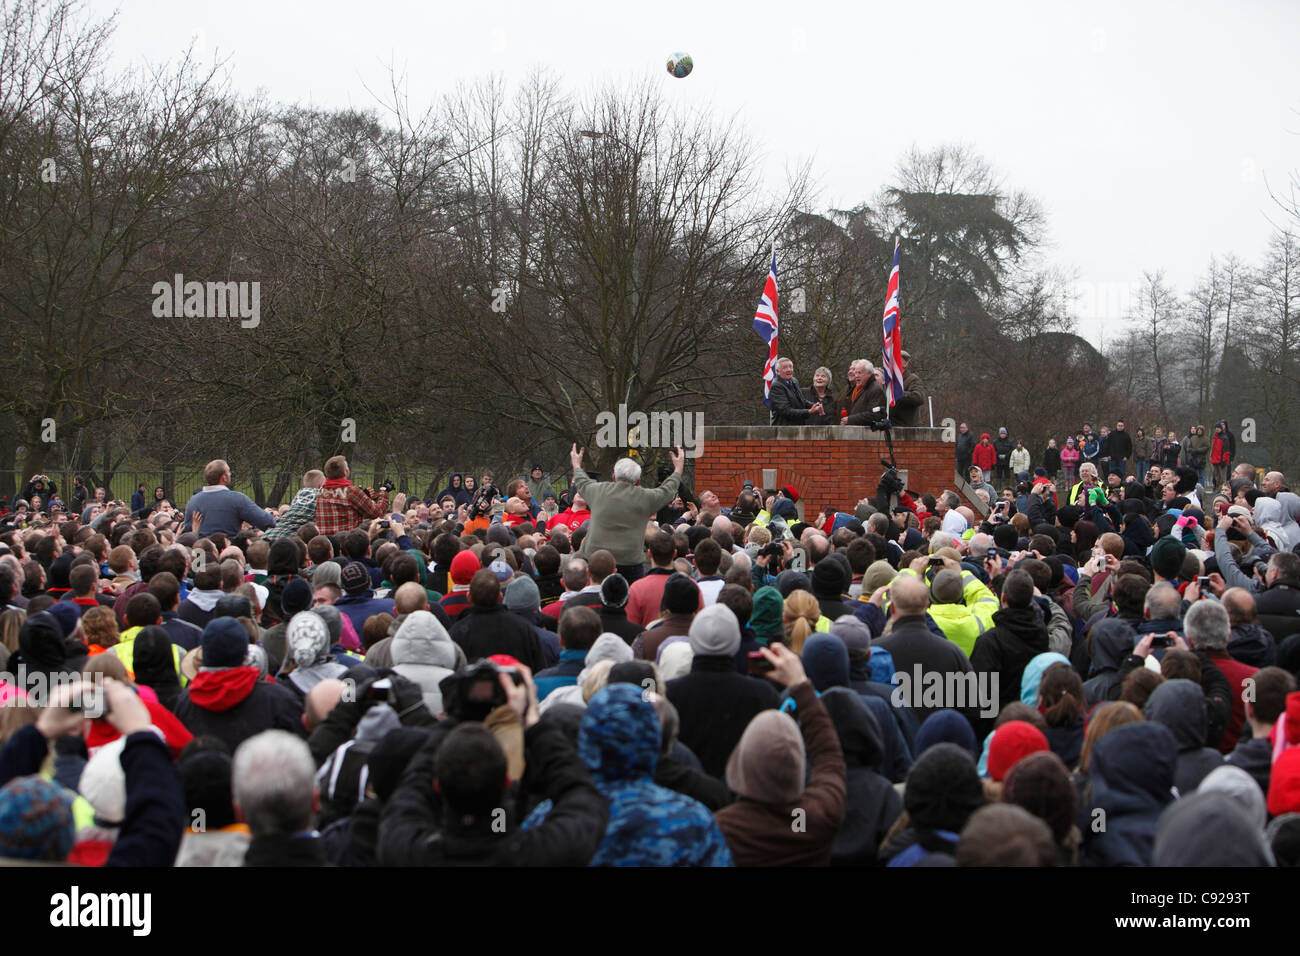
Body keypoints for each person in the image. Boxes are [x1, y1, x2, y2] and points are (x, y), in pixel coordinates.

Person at [714, 642, 846, 866]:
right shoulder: (817, 817)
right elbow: (828, 757)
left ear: (740, 763)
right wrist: (800, 685)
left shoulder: (719, 830)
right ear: (799, 766)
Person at [567, 443, 685, 583]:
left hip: (595, 559)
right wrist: (678, 469)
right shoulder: (646, 497)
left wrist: (576, 464)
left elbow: (581, 482)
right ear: (638, 481)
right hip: (630, 563)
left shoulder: (597, 491)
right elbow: (667, 490)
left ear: (613, 477)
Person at [182, 460, 275, 537]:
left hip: (201, 553)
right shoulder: (237, 499)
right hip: (228, 551)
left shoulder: (193, 501)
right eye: (229, 471)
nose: (230, 474)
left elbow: (187, 532)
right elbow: (266, 522)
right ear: (224, 477)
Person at [314, 455, 395, 536]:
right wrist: (384, 492)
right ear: (346, 472)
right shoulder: (351, 491)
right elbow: (377, 513)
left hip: (325, 541)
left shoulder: (320, 492)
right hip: (347, 542)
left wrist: (365, 496)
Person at [768, 357, 823, 425]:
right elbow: (785, 411)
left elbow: (801, 400)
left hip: (798, 427)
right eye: (785, 367)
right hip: (783, 429)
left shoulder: (794, 381)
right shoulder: (776, 386)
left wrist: (814, 405)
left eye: (790, 367)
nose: (789, 370)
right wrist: (809, 411)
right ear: (777, 371)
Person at [839, 359, 887, 426]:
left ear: (869, 373)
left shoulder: (875, 389)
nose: (856, 376)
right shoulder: (860, 388)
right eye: (856, 373)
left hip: (866, 433)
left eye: (859, 373)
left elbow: (875, 415)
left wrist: (850, 419)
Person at [890, 350, 926, 427]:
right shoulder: (889, 380)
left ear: (905, 363)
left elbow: (919, 398)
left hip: (906, 428)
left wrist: (898, 393)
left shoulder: (913, 379)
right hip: (890, 425)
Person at [1211, 420, 1236, 489]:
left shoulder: (1225, 438)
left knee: (1222, 477)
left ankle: (1222, 489)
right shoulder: (1215, 437)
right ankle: (1217, 488)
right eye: (1216, 428)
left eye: (1218, 428)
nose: (1217, 429)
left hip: (1221, 460)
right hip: (1215, 460)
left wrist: (1224, 460)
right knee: (1216, 476)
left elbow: (1226, 450)